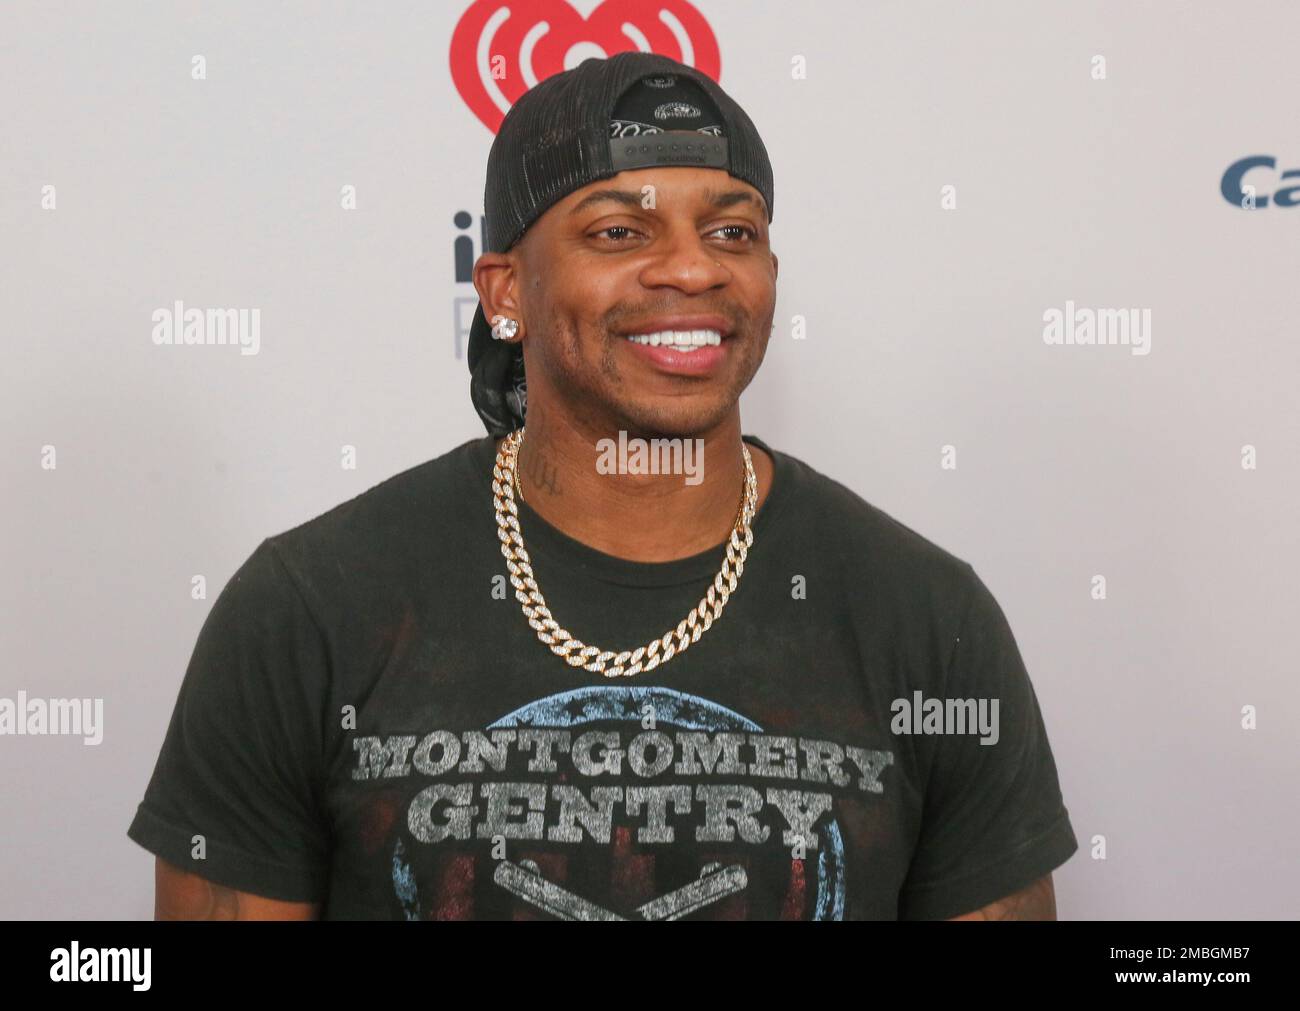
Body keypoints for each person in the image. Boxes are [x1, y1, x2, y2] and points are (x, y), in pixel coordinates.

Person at [127, 51, 1077, 921]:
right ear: (503, 292)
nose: (693, 266)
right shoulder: (311, 609)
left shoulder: (925, 617)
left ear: (769, 274)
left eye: (731, 229)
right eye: (620, 229)